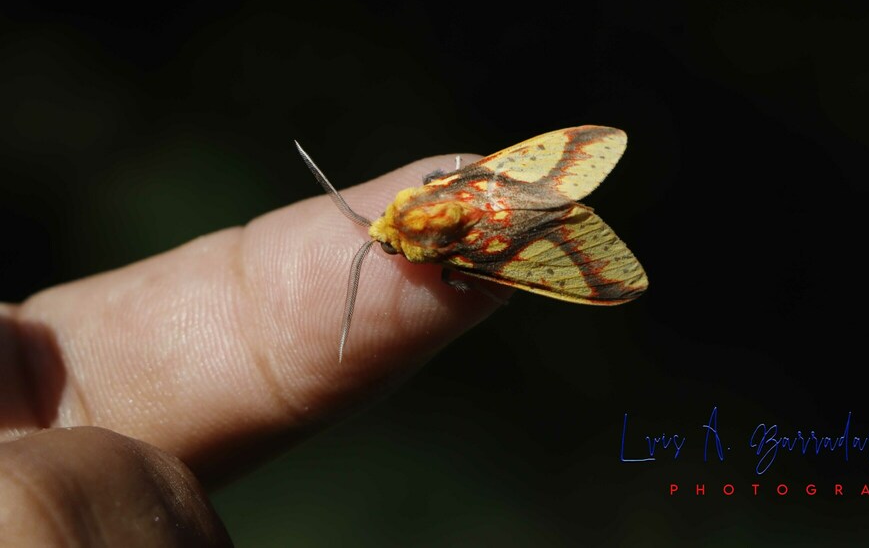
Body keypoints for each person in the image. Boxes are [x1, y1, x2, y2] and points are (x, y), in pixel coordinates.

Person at [0, 152, 504, 546]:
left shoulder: (428, 243)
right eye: (391, 245)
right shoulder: (426, 205)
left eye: (389, 244)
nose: (382, 237)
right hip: (491, 202)